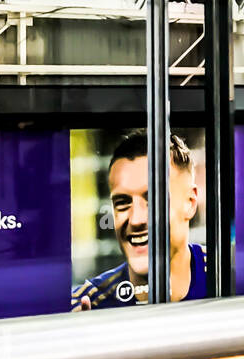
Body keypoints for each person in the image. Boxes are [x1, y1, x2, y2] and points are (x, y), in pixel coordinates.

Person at [72, 130, 206, 308]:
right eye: (122, 203)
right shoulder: (86, 305)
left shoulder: (229, 276)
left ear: (190, 202)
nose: (136, 220)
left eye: (153, 200)